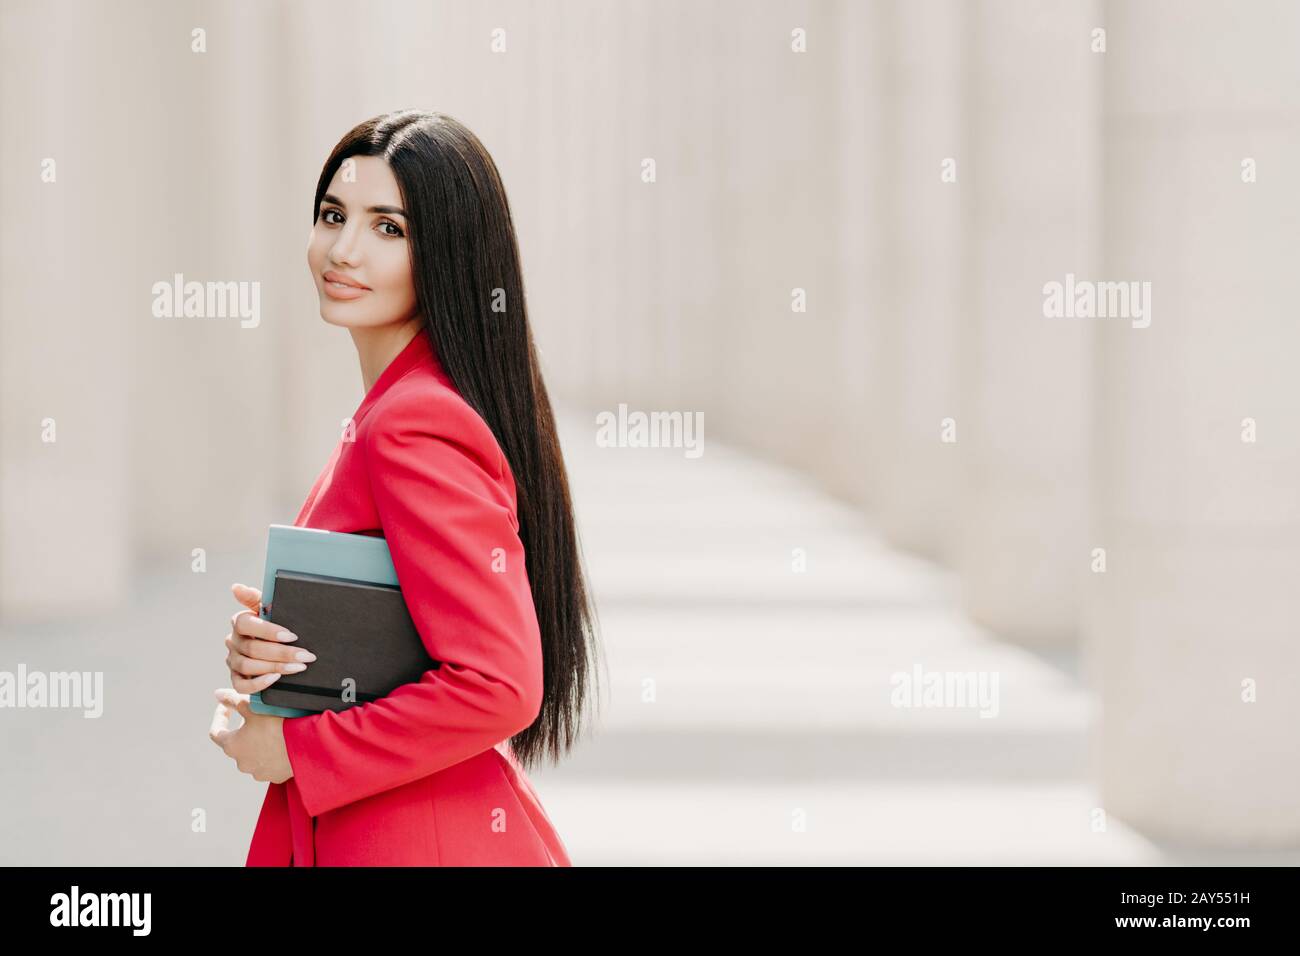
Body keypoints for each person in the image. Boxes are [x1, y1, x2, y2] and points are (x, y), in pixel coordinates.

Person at [208, 110, 601, 866]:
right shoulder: (399, 406)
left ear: (448, 254)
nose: (343, 250)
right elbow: (417, 627)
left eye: (389, 228)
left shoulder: (413, 422)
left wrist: (298, 750)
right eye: (333, 215)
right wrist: (282, 651)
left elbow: (499, 682)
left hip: (407, 835)